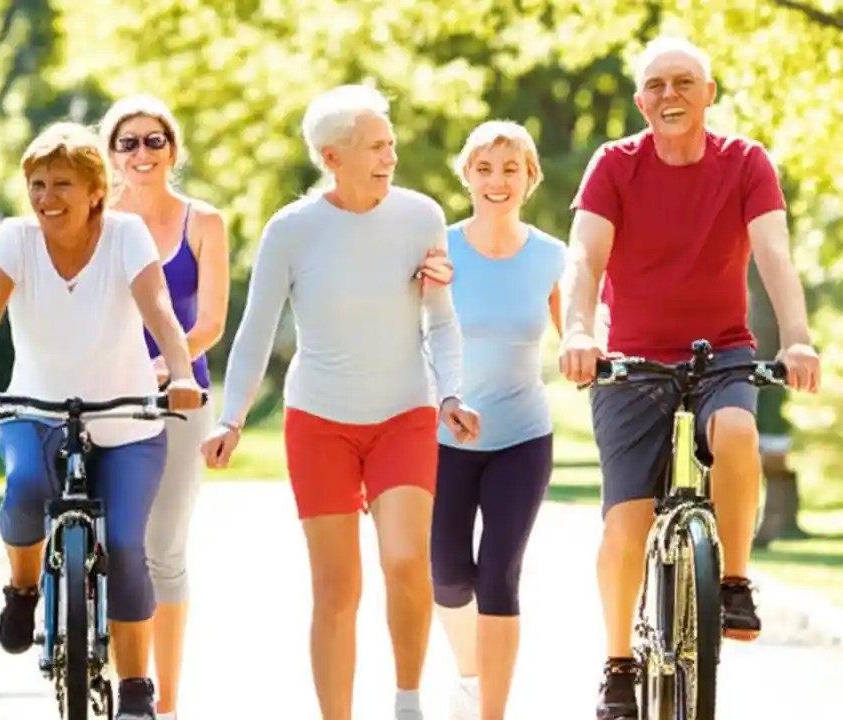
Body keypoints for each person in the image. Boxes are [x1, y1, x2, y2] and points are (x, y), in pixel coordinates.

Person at [556, 36, 822, 720]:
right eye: (655, 86)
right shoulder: (614, 165)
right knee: (627, 522)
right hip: (633, 360)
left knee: (736, 429)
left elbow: (774, 255)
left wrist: (797, 339)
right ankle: (618, 666)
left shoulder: (745, 163)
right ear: (641, 100)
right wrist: (581, 331)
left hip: (720, 351)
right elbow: (584, 258)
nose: (669, 95)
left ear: (709, 95)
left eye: (683, 83)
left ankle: (733, 579)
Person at [199, 83, 481, 720]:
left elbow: (439, 318)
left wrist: (452, 392)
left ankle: (408, 701)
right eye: (376, 146)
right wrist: (231, 417)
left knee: (407, 558)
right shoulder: (292, 230)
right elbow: (256, 328)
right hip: (319, 421)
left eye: (391, 143)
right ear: (333, 157)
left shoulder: (421, 217)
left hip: (404, 412)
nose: (390, 155)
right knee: (336, 590)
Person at [0, 122, 204, 720]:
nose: (46, 197)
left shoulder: (127, 235)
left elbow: (158, 309)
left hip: (127, 417)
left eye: (61, 184)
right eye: (36, 184)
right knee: (28, 487)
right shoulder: (15, 238)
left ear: (94, 192)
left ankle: (136, 685)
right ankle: (23, 590)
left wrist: (182, 375)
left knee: (130, 548)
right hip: (34, 408)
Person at [98, 94, 230, 720]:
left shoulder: (204, 222)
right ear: (110, 154)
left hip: (179, 397)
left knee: (163, 550)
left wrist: (167, 363)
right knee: (104, 539)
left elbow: (210, 322)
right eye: (128, 142)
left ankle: (164, 704)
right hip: (101, 395)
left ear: (173, 150)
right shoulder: (94, 221)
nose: (142, 153)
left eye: (154, 141)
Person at [429, 121, 564, 720]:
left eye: (511, 169)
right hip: (443, 437)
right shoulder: (439, 252)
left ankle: (492, 711)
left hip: (523, 437)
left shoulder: (553, 256)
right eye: (484, 168)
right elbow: (414, 340)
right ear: (467, 176)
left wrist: (594, 350)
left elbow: (584, 331)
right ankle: (469, 673)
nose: (498, 180)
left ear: (530, 178)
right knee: (448, 575)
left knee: (500, 574)